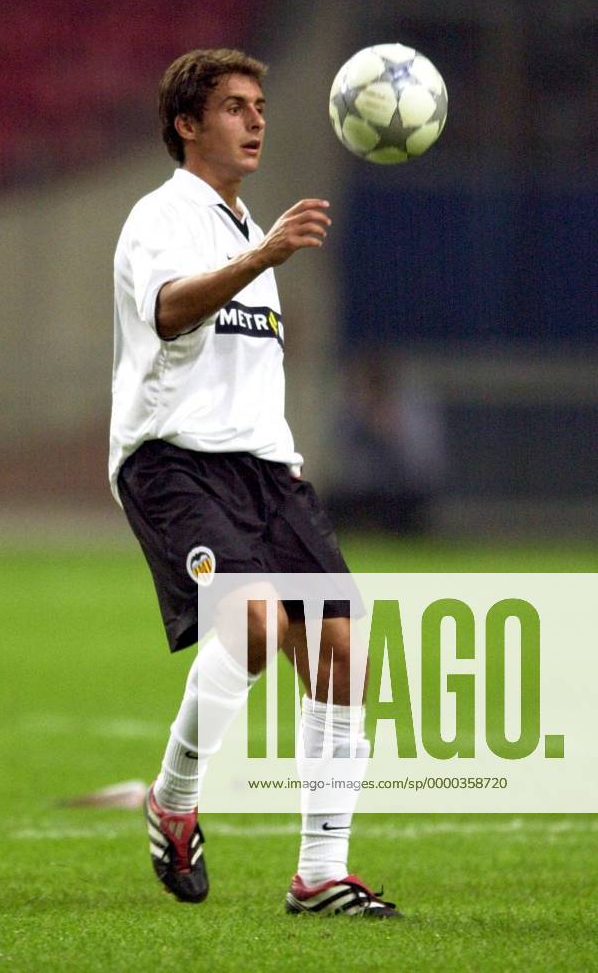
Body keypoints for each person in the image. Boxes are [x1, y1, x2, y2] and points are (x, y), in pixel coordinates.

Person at [109, 48, 399, 918]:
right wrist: (266, 251)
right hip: (174, 462)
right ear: (187, 125)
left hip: (264, 469)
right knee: (255, 626)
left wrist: (280, 450)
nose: (257, 118)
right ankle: (174, 799)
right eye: (235, 106)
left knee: (342, 647)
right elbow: (168, 310)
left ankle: (319, 874)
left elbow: (244, 364)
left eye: (261, 104)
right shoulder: (160, 218)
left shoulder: (247, 233)